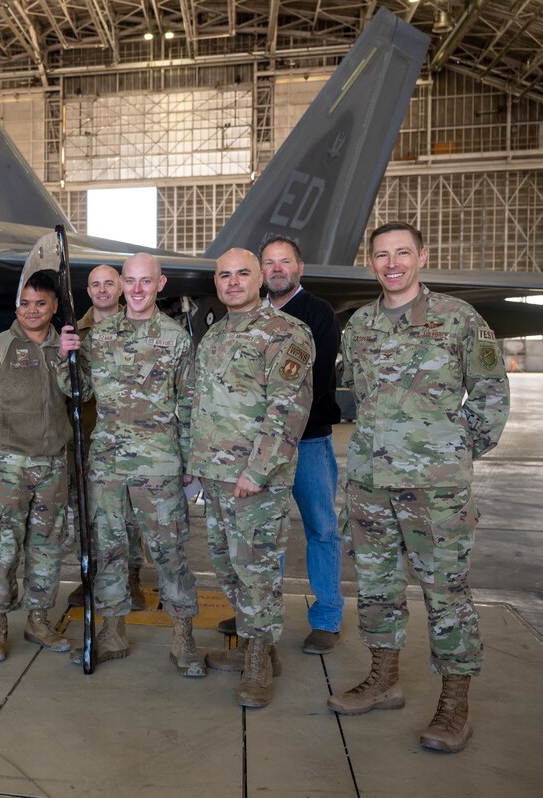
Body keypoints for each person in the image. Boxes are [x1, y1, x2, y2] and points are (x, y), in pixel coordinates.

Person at [328, 222, 509, 753]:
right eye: (382, 255)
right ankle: (383, 679)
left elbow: (491, 395)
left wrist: (453, 450)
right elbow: (362, 397)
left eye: (402, 253)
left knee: (445, 593)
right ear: (371, 263)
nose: (392, 264)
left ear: (422, 257)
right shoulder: (359, 325)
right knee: (377, 586)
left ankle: (455, 703)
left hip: (436, 490)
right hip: (369, 484)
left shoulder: (459, 320)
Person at [58, 252, 203, 676]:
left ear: (160, 284)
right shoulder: (101, 337)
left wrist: (191, 459)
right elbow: (81, 391)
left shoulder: (176, 339)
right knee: (109, 549)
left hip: (158, 464)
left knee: (169, 552)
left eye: (146, 281)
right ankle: (113, 631)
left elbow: (189, 403)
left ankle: (183, 635)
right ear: (121, 285)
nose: (137, 290)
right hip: (107, 464)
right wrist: (65, 357)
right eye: (130, 281)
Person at [189, 248, 314, 707]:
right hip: (215, 477)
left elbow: (287, 412)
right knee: (228, 568)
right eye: (225, 275)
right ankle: (255, 643)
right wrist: (196, 465)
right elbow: (201, 405)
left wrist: (257, 472)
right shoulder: (215, 335)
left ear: (261, 277)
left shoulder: (286, 333)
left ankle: (259, 661)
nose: (233, 281)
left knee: (257, 573)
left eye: (243, 273)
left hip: (254, 480)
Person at [0, 271, 73, 662]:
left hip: (53, 465)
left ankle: (39, 619)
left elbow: (82, 395)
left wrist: (68, 358)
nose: (31, 311)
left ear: (55, 307)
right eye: (24, 304)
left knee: (46, 547)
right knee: (2, 548)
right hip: (9, 466)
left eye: (40, 303)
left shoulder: (68, 348)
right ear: (16, 307)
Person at [255, 235, 344, 653]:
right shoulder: (250, 316)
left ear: (300, 268)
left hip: (308, 442)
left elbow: (317, 378)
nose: (277, 269)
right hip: (262, 449)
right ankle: (261, 615)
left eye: (284, 261)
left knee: (322, 528)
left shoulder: (318, 313)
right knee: (263, 533)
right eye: (269, 262)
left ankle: (326, 618)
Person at [67, 264, 147, 611]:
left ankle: (131, 575)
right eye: (95, 285)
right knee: (87, 510)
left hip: (129, 440)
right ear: (89, 292)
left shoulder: (139, 329)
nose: (102, 290)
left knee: (129, 515)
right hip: (85, 437)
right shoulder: (75, 333)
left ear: (121, 288)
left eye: (109, 284)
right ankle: (94, 572)